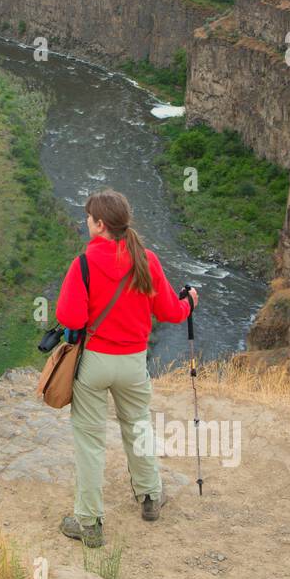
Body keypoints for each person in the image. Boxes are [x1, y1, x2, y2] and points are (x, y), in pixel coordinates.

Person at [54, 188, 197, 547]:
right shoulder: (146, 259)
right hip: (134, 364)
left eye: (88, 218)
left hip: (96, 364)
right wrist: (190, 302)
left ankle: (88, 523)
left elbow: (69, 317)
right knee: (138, 428)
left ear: (100, 224)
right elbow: (170, 312)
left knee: (89, 441)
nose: (85, 222)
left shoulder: (83, 265)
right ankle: (150, 498)